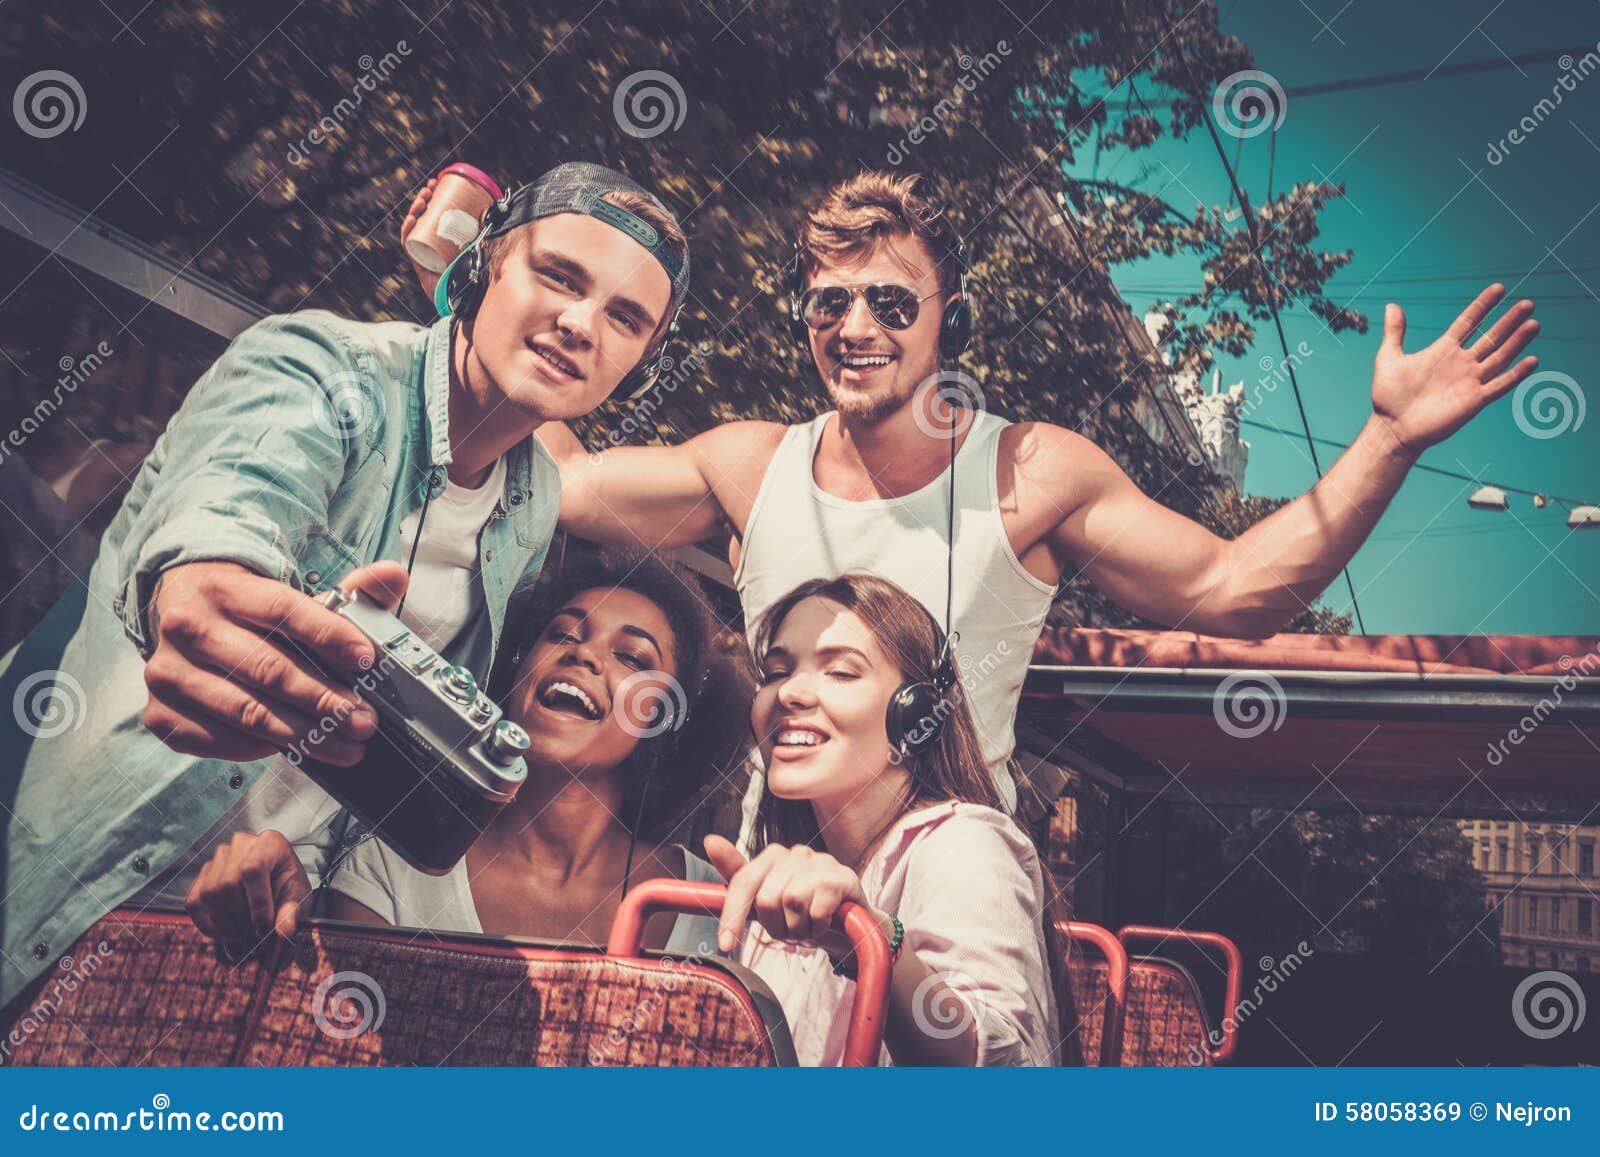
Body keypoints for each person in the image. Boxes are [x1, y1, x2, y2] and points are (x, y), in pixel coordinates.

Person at [406, 169, 1543, 833]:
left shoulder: (1032, 471)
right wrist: (469, 290)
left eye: (893, 304)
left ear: (949, 318)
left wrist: (1388, 438)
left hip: (947, 915)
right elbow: (554, 471)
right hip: (758, 899)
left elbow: (1234, 588)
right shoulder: (748, 463)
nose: (857, 328)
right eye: (829, 302)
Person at [0, 161, 693, 1009]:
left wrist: (304, 865)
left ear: (639, 367)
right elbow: (224, 517)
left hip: (264, 946)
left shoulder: (534, 500)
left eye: (625, 318)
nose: (581, 324)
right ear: (482, 266)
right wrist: (206, 593)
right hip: (82, 892)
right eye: (559, 275)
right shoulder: (319, 363)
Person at [185, 549, 751, 961]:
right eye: (561, 634)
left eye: (631, 657)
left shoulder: (713, 905)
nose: (584, 656)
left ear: (667, 723)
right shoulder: (389, 872)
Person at [703, 572, 1067, 1067]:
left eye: (841, 672)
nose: (790, 693)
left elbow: (1001, 1068)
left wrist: (873, 943)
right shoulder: (784, 872)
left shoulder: (964, 844)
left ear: (913, 713)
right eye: (776, 672)